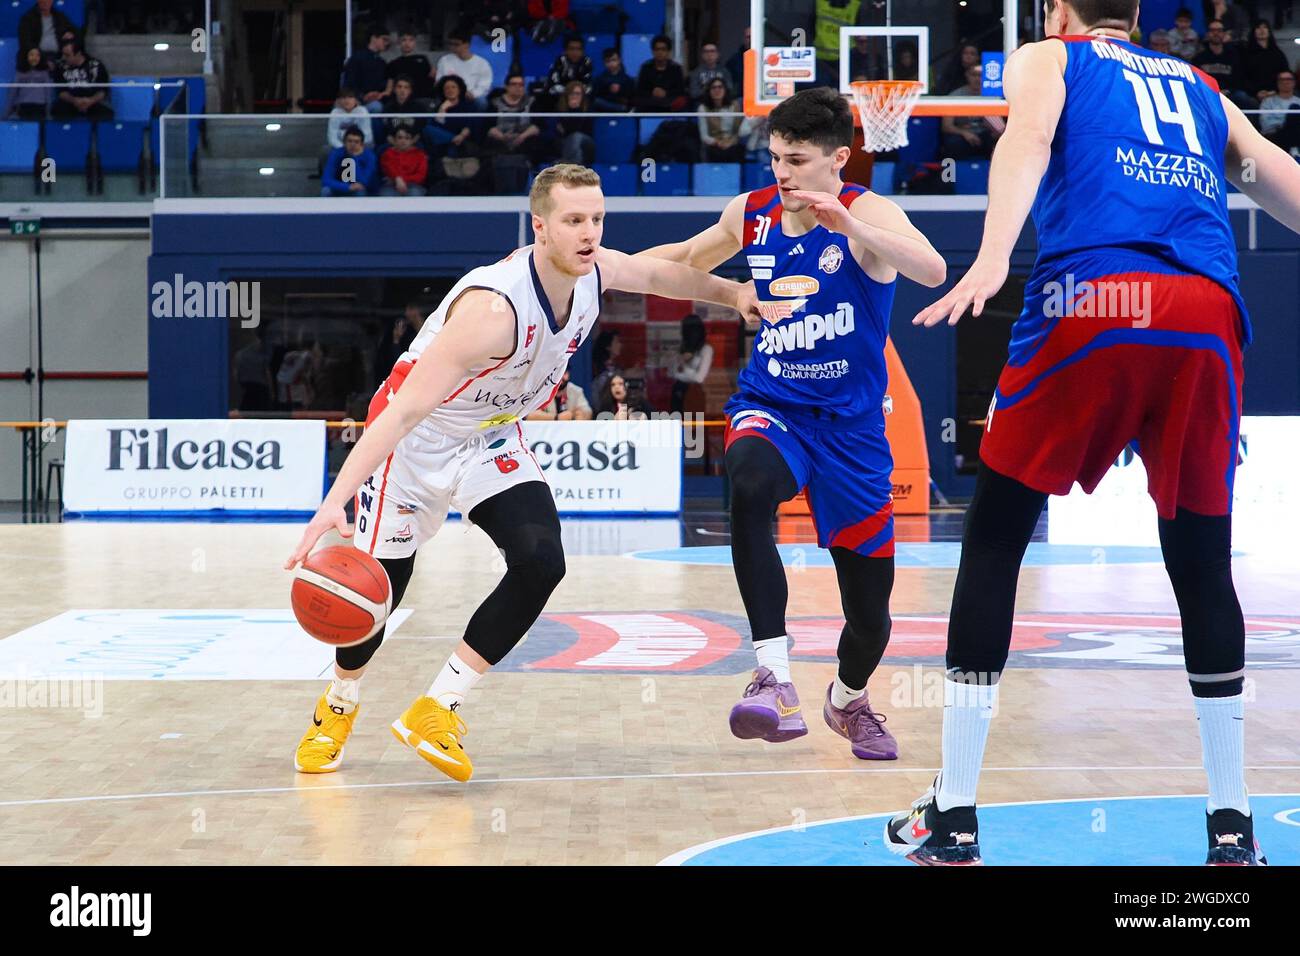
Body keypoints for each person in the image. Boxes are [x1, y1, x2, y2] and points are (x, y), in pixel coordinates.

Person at [889, 0, 1300, 867]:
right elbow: (1268, 172)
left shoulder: (1053, 55)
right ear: (1139, 13)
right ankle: (1233, 829)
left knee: (996, 539)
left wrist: (996, 254)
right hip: (1206, 312)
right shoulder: (1199, 83)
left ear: (1059, 11)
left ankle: (954, 816)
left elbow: (1026, 141)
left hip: (1096, 298)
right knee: (1202, 563)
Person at [285, 164, 760, 781]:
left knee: (541, 560)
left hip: (489, 434)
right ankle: (339, 703)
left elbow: (662, 272)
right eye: (573, 221)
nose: (589, 232)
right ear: (540, 227)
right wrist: (333, 501)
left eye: (596, 219)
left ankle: (439, 706)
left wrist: (735, 294)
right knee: (379, 590)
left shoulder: (593, 272)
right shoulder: (492, 310)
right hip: (416, 441)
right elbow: (401, 412)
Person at [638, 86, 946, 762]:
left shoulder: (869, 212)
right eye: (775, 156)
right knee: (746, 483)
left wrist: (853, 228)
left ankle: (848, 699)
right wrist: (598, 266)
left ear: (838, 159)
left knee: (870, 620)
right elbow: (683, 261)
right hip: (773, 405)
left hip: (853, 434)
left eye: (797, 159)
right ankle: (773, 675)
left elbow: (932, 268)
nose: (781, 172)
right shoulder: (751, 214)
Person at [942, 64, 1003, 158]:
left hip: (985, 134)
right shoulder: (955, 95)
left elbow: (1000, 127)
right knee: (953, 143)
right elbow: (946, 126)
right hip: (963, 134)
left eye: (981, 75)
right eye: (974, 75)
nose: (977, 79)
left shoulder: (991, 95)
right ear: (967, 75)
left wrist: (998, 131)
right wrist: (964, 133)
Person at [50, 37, 114, 120]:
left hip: (92, 102)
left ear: (78, 53)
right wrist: (75, 100)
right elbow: (61, 92)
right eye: (63, 54)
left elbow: (103, 90)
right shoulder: (61, 67)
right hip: (70, 102)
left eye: (67, 55)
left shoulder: (96, 65)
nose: (64, 58)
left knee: (105, 113)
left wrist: (90, 101)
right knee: (58, 110)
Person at [1193, 20, 1249, 109]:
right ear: (1208, 34)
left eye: (1219, 30)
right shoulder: (1199, 58)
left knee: (1243, 97)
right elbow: (1195, 81)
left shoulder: (1233, 56)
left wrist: (1227, 91)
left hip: (1230, 93)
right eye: (1213, 30)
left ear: (1224, 33)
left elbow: (1238, 79)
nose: (1216, 33)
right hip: (1207, 93)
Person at [436, 31, 494, 111]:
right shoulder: (444, 60)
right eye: (450, 44)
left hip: (472, 96)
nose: (452, 47)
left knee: (481, 102)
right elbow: (440, 81)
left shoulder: (482, 63)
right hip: (451, 94)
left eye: (456, 44)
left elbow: (485, 86)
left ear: (467, 44)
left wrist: (473, 94)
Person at [1240, 20, 1291, 106]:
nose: (1262, 30)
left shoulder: (1278, 53)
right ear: (1254, 31)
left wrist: (1274, 91)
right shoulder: (1245, 53)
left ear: (1269, 31)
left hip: (1275, 92)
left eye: (1265, 27)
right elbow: (1241, 76)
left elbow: (1285, 73)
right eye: (1258, 28)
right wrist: (1256, 92)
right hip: (1252, 94)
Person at [670, 313, 713, 414]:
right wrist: (680, 360)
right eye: (687, 331)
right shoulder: (681, 349)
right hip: (678, 391)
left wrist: (683, 368)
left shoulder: (706, 349)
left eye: (694, 330)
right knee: (677, 425)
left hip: (695, 393)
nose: (691, 334)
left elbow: (699, 378)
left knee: (695, 427)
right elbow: (671, 372)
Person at [635, 35, 689, 112]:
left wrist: (665, 93)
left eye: (663, 49)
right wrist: (652, 92)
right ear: (652, 51)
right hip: (650, 101)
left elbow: (680, 90)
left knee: (682, 101)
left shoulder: (676, 68)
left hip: (669, 101)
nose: (660, 52)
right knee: (639, 100)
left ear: (668, 52)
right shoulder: (645, 67)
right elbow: (640, 90)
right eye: (657, 49)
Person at [697, 77, 747, 162]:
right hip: (713, 144)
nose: (717, 90)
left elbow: (739, 131)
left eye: (720, 87)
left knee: (738, 150)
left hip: (732, 143)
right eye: (713, 87)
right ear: (709, 91)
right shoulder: (703, 108)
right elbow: (704, 136)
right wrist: (718, 142)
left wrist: (731, 142)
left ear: (725, 89)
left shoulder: (735, 106)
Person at [343, 26, 390, 114]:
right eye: (384, 39)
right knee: (376, 107)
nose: (386, 43)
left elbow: (383, 85)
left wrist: (379, 95)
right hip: (355, 102)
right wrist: (362, 96)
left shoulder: (382, 63)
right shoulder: (357, 58)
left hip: (376, 101)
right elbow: (349, 83)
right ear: (373, 38)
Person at [321, 127, 377, 197]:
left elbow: (363, 182)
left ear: (362, 144)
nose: (352, 145)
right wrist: (348, 187)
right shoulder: (336, 154)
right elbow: (326, 180)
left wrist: (354, 158)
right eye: (349, 141)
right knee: (326, 191)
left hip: (360, 190)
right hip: (340, 187)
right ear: (344, 142)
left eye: (356, 142)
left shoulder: (370, 156)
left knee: (360, 191)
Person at [543, 34, 592, 110]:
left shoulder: (587, 62)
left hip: (580, 97)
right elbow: (553, 85)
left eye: (578, 49)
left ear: (582, 51)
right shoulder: (559, 61)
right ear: (565, 50)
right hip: (559, 97)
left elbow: (587, 85)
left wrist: (575, 94)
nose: (575, 52)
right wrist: (569, 93)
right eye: (571, 49)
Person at [551, 81, 595, 165]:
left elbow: (577, 129)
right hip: (566, 143)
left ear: (582, 96)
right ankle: (573, 167)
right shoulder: (560, 109)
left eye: (578, 94)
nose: (574, 96)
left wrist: (575, 110)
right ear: (567, 95)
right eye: (571, 94)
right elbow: (560, 132)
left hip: (586, 143)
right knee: (569, 141)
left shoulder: (588, 109)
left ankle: (569, 164)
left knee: (576, 136)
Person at [387, 28, 435, 101]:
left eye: (411, 40)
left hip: (423, 99)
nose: (407, 43)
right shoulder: (393, 63)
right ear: (399, 42)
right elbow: (389, 88)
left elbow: (432, 78)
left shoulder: (423, 59)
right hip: (401, 100)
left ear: (415, 42)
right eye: (404, 40)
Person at [5, 47, 52, 120]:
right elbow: (12, 93)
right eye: (31, 55)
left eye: (38, 55)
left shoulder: (44, 73)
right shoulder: (19, 73)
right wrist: (5, 115)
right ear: (25, 56)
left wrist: (48, 113)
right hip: (24, 106)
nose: (35, 58)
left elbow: (48, 93)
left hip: (39, 107)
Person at [378, 126, 428, 195]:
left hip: (413, 185)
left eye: (407, 138)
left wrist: (400, 179)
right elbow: (389, 170)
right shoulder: (387, 154)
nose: (403, 141)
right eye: (400, 137)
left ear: (412, 140)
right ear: (394, 140)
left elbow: (420, 176)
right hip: (391, 185)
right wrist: (397, 179)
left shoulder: (420, 155)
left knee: (414, 193)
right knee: (386, 195)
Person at [527, 368, 593, 420]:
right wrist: (556, 417)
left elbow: (587, 411)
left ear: (568, 374)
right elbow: (528, 415)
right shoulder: (542, 390)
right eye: (558, 373)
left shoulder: (576, 390)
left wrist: (581, 414)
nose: (561, 377)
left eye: (564, 373)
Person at [1260, 70, 1300, 152]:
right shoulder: (1268, 102)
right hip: (1275, 136)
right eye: (1281, 79)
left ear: (1294, 82)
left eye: (1288, 79)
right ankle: (1294, 151)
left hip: (1296, 135)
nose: (1285, 82)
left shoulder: (1298, 101)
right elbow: (1265, 124)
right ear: (1277, 83)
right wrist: (1285, 123)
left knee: (1295, 108)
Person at [381, 76, 427, 145]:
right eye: (399, 87)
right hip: (394, 143)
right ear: (394, 89)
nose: (402, 90)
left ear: (410, 91)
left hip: (413, 142)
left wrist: (409, 143)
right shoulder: (388, 108)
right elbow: (386, 132)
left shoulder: (419, 107)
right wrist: (396, 144)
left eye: (406, 87)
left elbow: (420, 131)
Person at [592, 48, 634, 112]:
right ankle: (620, 108)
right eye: (608, 61)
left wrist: (620, 89)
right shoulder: (599, 79)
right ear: (604, 63)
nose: (611, 63)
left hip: (622, 109)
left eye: (613, 60)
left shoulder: (628, 79)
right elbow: (596, 96)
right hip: (604, 111)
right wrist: (608, 88)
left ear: (619, 60)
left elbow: (630, 97)